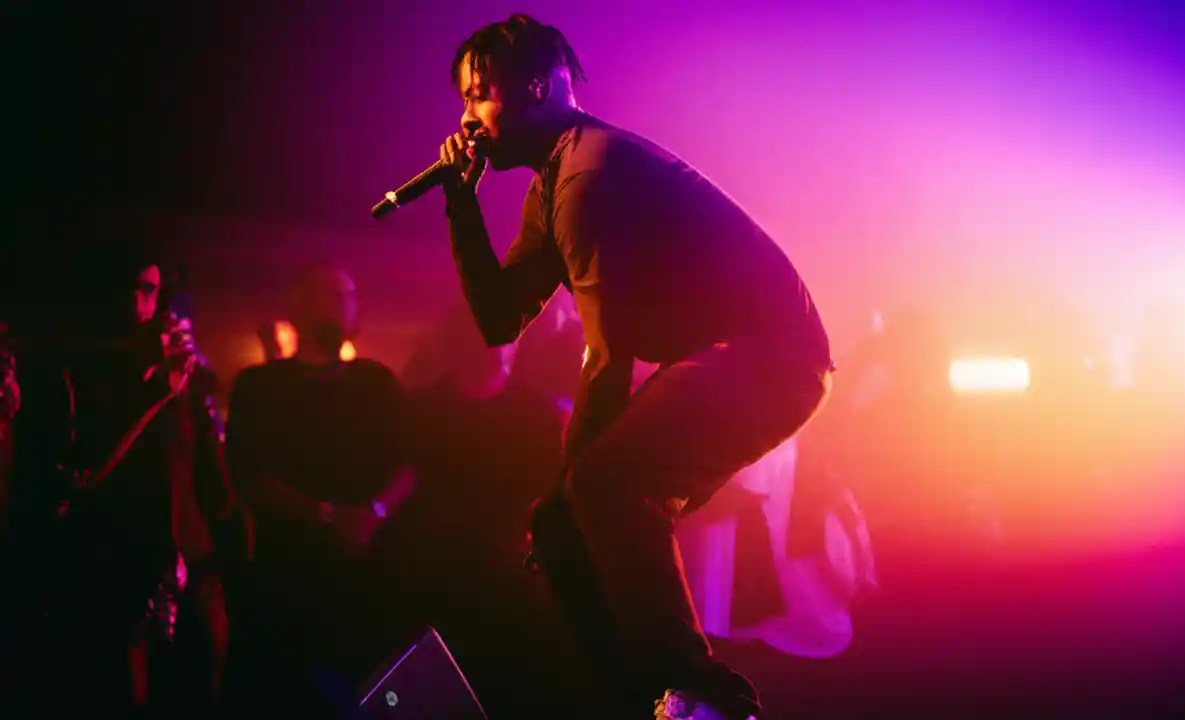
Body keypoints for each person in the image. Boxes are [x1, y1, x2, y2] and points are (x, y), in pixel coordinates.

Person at [433, 15, 833, 719]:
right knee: (566, 526)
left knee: (603, 484)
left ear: (532, 88)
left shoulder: (591, 177)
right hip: (726, 358)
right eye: (464, 100)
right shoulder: (551, 185)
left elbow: (609, 361)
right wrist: (460, 206)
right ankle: (643, 699)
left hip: (771, 354)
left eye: (478, 95)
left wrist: (569, 488)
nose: (468, 117)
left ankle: (699, 696)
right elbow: (500, 320)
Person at [4, 246, 233, 713]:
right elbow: (80, 471)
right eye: (126, 289)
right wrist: (152, 387)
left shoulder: (175, 365)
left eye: (147, 290)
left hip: (191, 575)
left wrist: (224, 538)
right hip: (116, 581)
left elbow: (199, 464)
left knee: (205, 695)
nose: (135, 302)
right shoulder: (75, 373)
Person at [224, 264, 415, 716]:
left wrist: (375, 511)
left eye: (349, 295)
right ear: (298, 307)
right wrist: (325, 513)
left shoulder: (377, 383)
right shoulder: (261, 387)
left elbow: (410, 462)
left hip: (363, 590)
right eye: (332, 294)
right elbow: (248, 473)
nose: (344, 305)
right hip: (285, 587)